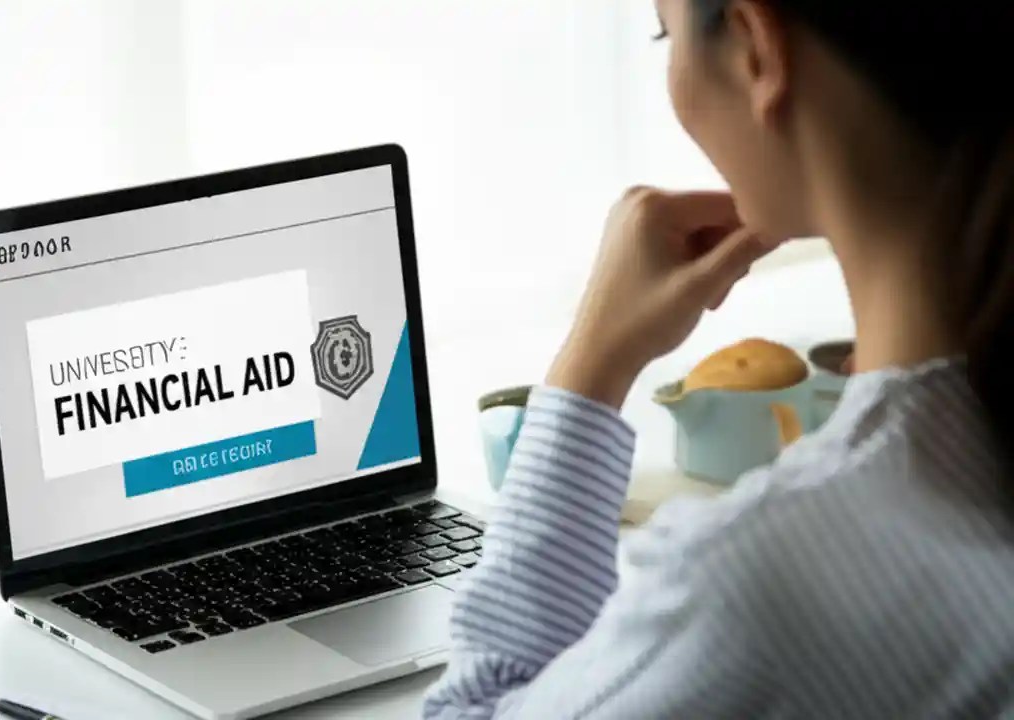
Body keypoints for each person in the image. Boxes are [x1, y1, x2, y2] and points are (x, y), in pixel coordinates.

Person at [423, 0, 1014, 716]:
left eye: (662, 34)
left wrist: (591, 364)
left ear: (753, 45)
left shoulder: (757, 585)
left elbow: (472, 707)